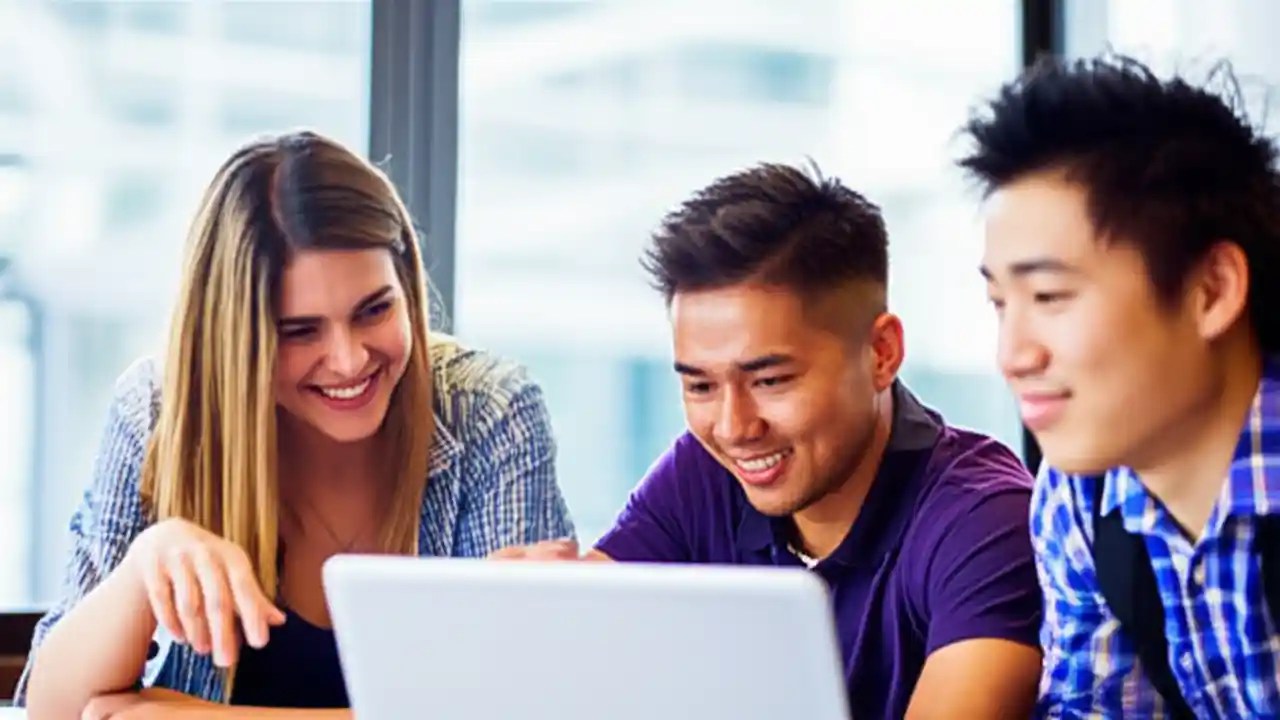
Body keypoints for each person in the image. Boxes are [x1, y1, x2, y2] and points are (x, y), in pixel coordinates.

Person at [16, 130, 575, 719]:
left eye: (375, 310)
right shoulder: (158, 414)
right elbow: (49, 709)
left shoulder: (489, 413)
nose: (350, 359)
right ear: (237, 336)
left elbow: (522, 707)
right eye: (300, 331)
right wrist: (142, 568)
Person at [498, 163, 1044, 719]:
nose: (734, 427)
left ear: (881, 353)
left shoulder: (983, 520)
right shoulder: (704, 474)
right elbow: (576, 651)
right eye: (701, 385)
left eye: (770, 381)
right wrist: (522, 626)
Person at [961, 54, 1280, 719]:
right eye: (1000, 303)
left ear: (1211, 290)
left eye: (1049, 295)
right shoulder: (1081, 495)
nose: (1012, 355)